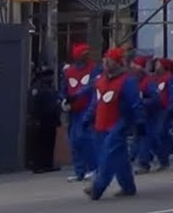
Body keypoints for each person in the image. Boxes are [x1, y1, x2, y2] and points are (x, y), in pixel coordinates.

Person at [85, 48, 142, 200]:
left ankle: (98, 187)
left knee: (108, 155)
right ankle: (128, 187)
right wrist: (87, 117)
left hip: (118, 123)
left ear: (117, 62)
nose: (105, 62)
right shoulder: (100, 80)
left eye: (109, 60)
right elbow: (95, 102)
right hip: (101, 124)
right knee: (119, 158)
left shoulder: (127, 80)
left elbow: (135, 103)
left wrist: (139, 121)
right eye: (105, 59)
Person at [61, 42, 99, 183]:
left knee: (87, 139)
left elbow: (91, 86)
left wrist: (76, 96)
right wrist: (63, 101)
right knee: (74, 141)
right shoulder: (68, 72)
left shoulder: (94, 69)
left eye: (87, 53)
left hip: (87, 109)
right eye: (83, 53)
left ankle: (94, 168)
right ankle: (79, 171)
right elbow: (64, 89)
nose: (86, 56)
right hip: (74, 111)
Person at [27, 67, 62, 174]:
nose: (50, 77)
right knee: (39, 143)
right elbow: (33, 105)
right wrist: (36, 118)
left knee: (49, 143)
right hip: (41, 120)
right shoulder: (37, 88)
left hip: (50, 120)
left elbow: (54, 104)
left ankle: (48, 164)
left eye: (50, 75)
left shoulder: (50, 87)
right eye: (47, 75)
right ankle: (37, 165)